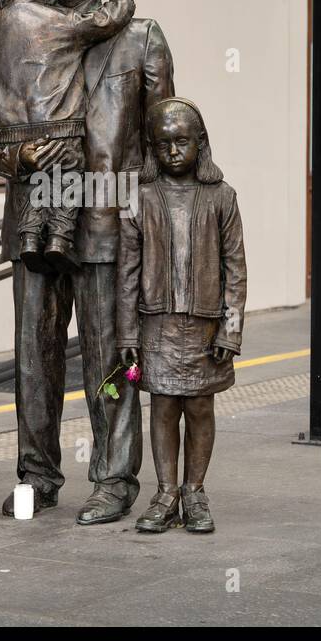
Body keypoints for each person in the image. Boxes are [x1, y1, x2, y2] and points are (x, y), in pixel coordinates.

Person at [0, 0, 174, 525]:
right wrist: (27, 151)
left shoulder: (140, 38)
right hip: (35, 215)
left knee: (112, 355)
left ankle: (114, 477)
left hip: (111, 220)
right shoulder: (16, 30)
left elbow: (166, 143)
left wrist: (162, 229)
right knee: (35, 353)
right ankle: (36, 476)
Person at [117, 97, 247, 533]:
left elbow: (236, 270)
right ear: (152, 149)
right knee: (163, 406)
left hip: (207, 326)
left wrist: (230, 331)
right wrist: (126, 334)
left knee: (200, 408)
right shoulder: (140, 199)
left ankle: (195, 491)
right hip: (157, 325)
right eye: (163, 144)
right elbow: (127, 274)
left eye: (182, 142)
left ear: (201, 143)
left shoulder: (222, 198)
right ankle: (165, 491)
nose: (173, 151)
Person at [0, 0, 135, 273]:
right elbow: (102, 21)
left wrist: (18, 155)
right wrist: (123, 2)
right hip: (60, 128)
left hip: (14, 136)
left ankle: (30, 238)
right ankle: (59, 239)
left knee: (33, 181)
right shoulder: (57, 22)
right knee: (66, 176)